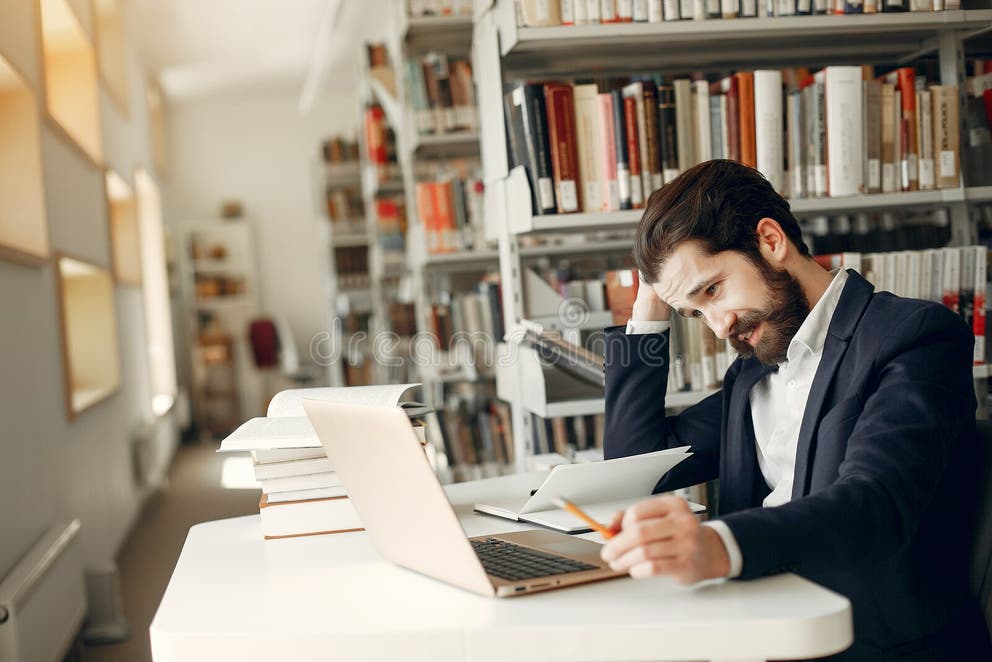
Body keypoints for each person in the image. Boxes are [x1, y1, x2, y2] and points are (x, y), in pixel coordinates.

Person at [600, 159, 991, 661]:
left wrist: (717, 546)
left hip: (872, 648)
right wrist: (650, 312)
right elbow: (634, 461)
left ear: (770, 240)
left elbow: (874, 505)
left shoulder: (911, 337)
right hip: (759, 635)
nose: (717, 327)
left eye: (713, 290)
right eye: (696, 313)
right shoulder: (752, 373)